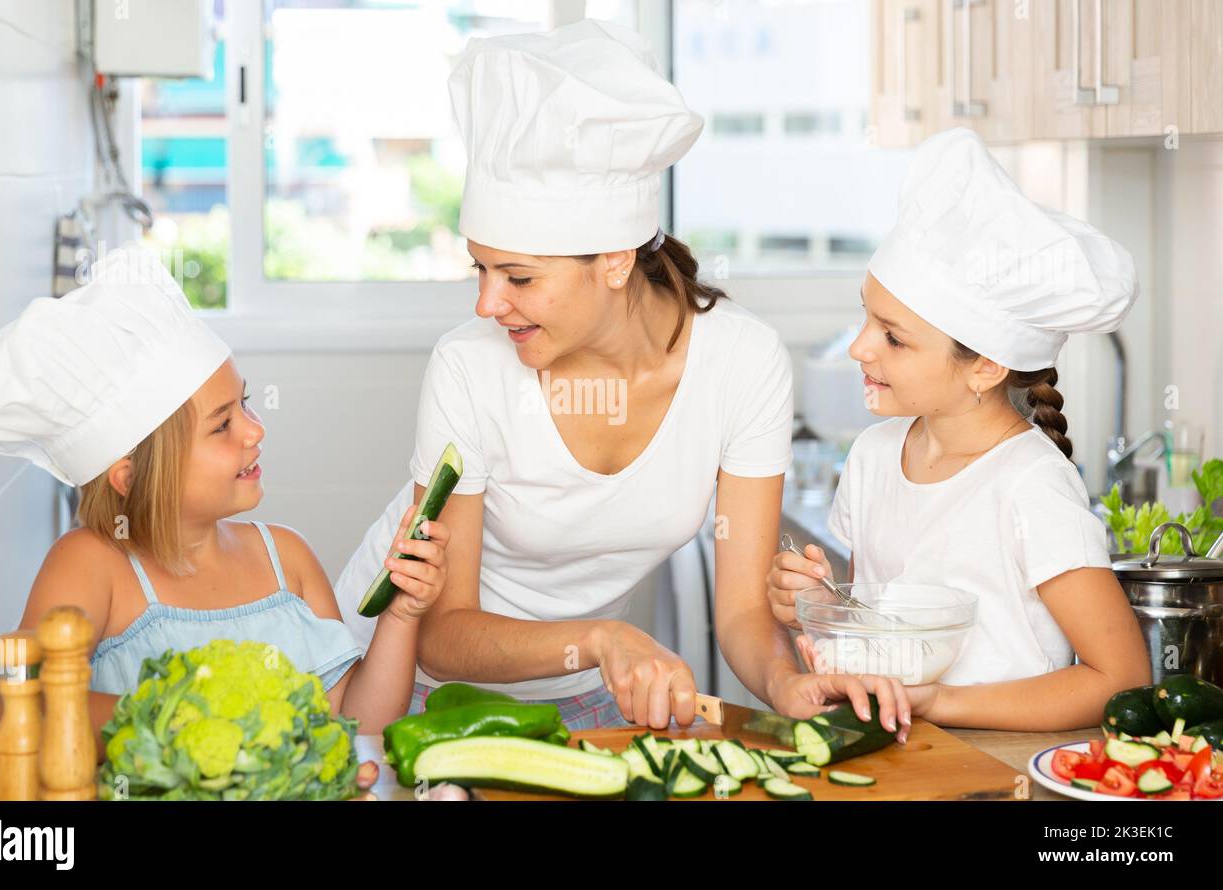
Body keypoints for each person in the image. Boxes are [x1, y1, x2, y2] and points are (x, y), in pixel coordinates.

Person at [337, 19, 912, 738]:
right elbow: (443, 630)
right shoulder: (468, 367)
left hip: (582, 694)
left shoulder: (742, 365)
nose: (486, 304)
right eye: (478, 269)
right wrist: (603, 639)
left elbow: (739, 611)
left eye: (517, 276)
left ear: (614, 260)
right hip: (409, 687)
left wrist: (791, 683)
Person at [0, 247, 449, 760]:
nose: (256, 430)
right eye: (222, 424)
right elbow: (22, 713)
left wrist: (403, 614)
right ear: (131, 475)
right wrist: (201, 711)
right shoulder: (92, 565)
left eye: (246, 404)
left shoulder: (287, 559)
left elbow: (357, 727)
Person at [767, 128, 1151, 731]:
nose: (861, 347)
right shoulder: (873, 455)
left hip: (998, 771)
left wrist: (939, 702)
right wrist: (808, 605)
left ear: (985, 367)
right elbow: (875, 620)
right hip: (904, 759)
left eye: (893, 336)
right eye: (865, 316)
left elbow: (1120, 680)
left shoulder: (1031, 486)